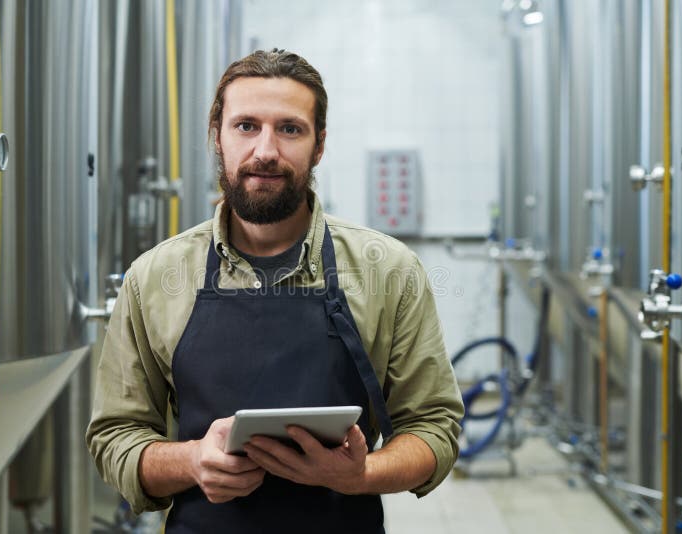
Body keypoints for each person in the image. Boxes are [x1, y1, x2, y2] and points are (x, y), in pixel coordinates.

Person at [87, 48, 464, 534]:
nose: (265, 150)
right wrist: (192, 461)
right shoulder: (154, 277)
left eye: (289, 129)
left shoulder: (390, 271)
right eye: (246, 126)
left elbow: (434, 428)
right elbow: (115, 436)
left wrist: (361, 474)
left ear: (319, 145)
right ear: (217, 137)